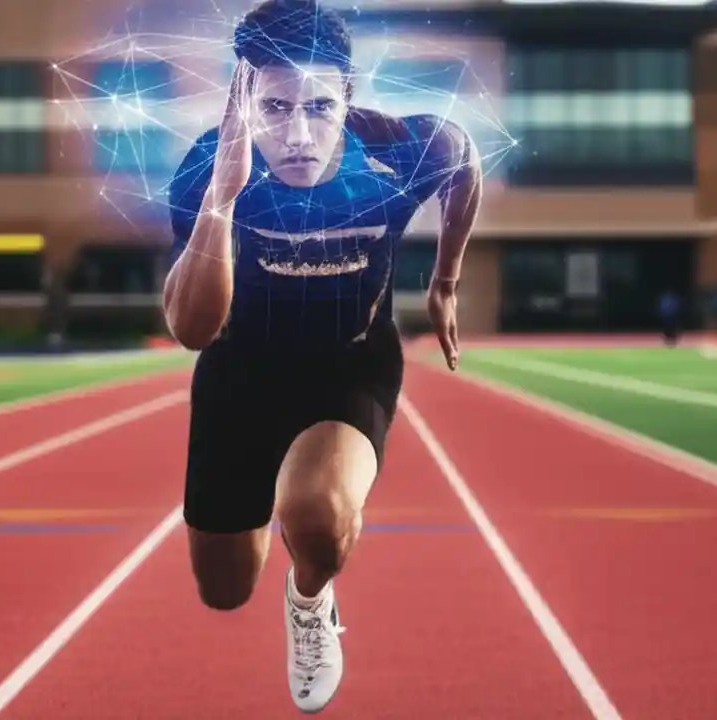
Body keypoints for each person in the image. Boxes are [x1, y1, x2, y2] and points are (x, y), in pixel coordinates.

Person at [159, 0, 482, 712]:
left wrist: (446, 280)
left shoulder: (403, 150)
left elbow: (465, 163)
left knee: (317, 515)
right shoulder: (203, 172)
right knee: (224, 591)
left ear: (349, 96)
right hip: (239, 373)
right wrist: (225, 192)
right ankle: (269, 526)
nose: (298, 133)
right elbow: (191, 328)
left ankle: (310, 601)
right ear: (243, 99)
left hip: (350, 363)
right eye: (275, 107)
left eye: (319, 106)